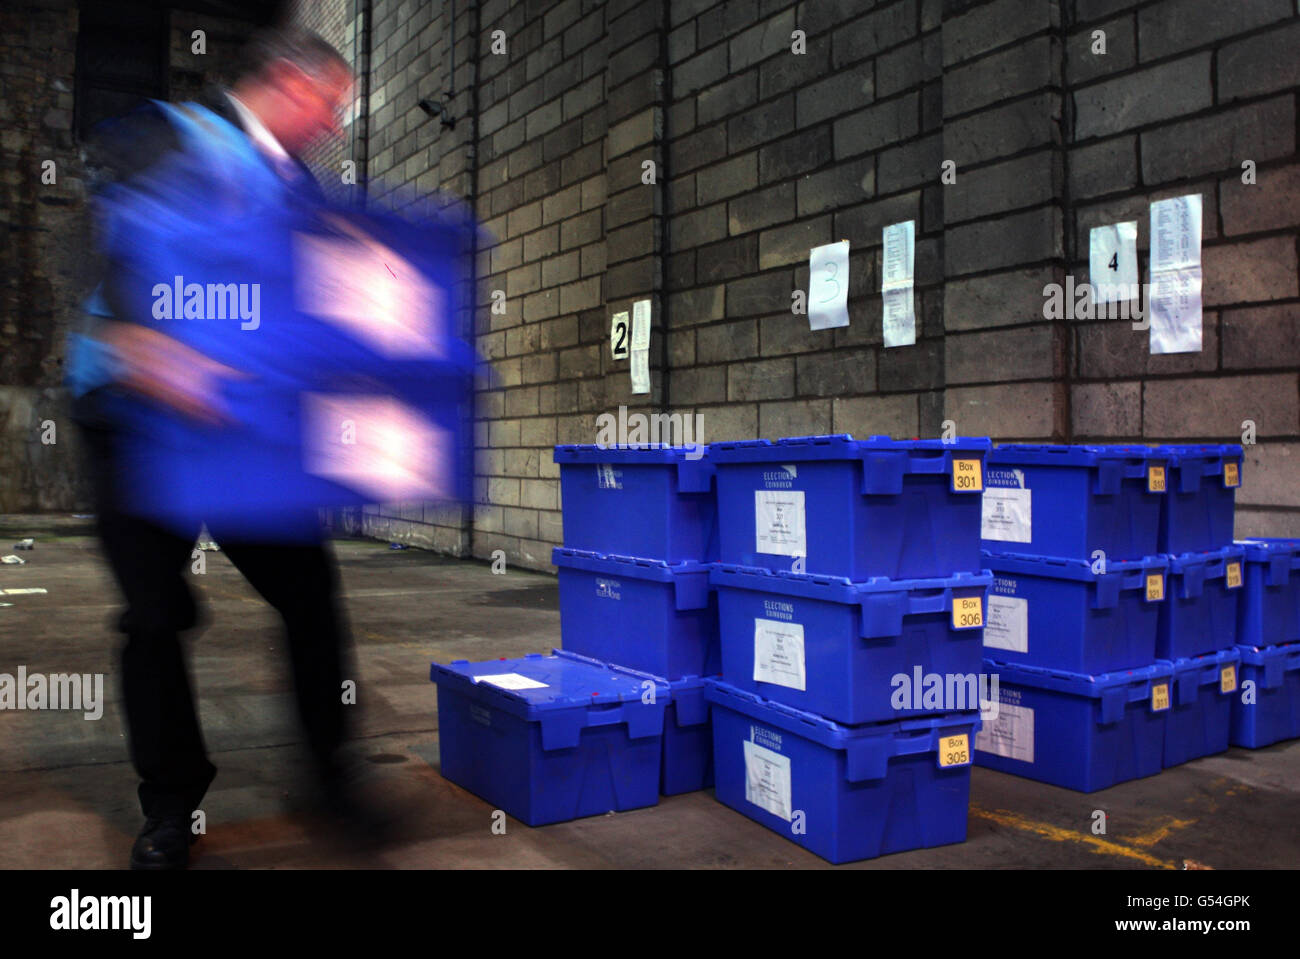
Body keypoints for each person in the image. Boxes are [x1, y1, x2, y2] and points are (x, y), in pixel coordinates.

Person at [70, 25, 383, 870]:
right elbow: (111, 223)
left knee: (310, 598)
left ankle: (332, 777)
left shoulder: (299, 187)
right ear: (288, 79)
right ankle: (170, 808)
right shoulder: (169, 131)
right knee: (156, 613)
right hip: (138, 417)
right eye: (331, 102)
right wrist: (147, 342)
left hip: (241, 428)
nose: (333, 122)